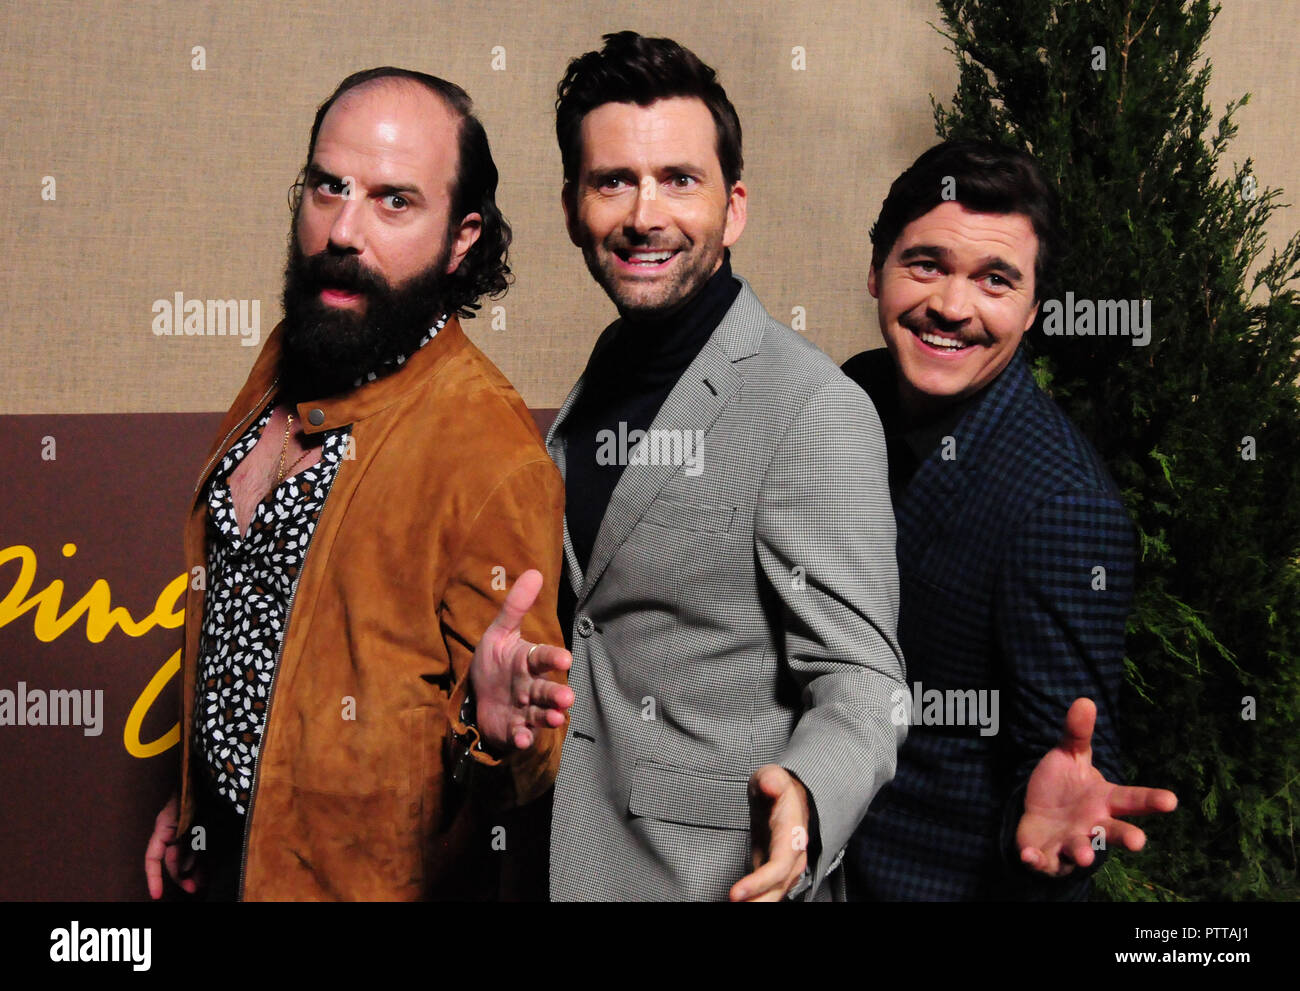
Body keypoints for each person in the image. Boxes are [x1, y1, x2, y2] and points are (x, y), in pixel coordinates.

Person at [143, 67, 573, 901]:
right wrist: (202, 800)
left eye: (394, 201)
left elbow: (526, 749)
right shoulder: (298, 343)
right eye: (327, 186)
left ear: (461, 237)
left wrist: (497, 729)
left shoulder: (490, 451)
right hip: (233, 858)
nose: (344, 229)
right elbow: (262, 623)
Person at [545, 32, 905, 902]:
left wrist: (809, 802)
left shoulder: (811, 406)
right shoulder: (603, 376)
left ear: (733, 207)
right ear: (572, 208)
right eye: (612, 181)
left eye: (679, 179)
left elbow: (864, 682)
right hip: (573, 862)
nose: (643, 214)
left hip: (717, 880)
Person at [844, 139, 1177, 900]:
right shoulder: (851, 393)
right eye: (926, 263)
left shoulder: (1062, 505)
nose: (952, 307)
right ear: (877, 268)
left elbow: (1068, 753)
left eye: (995, 280)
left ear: (1031, 311)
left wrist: (1057, 839)